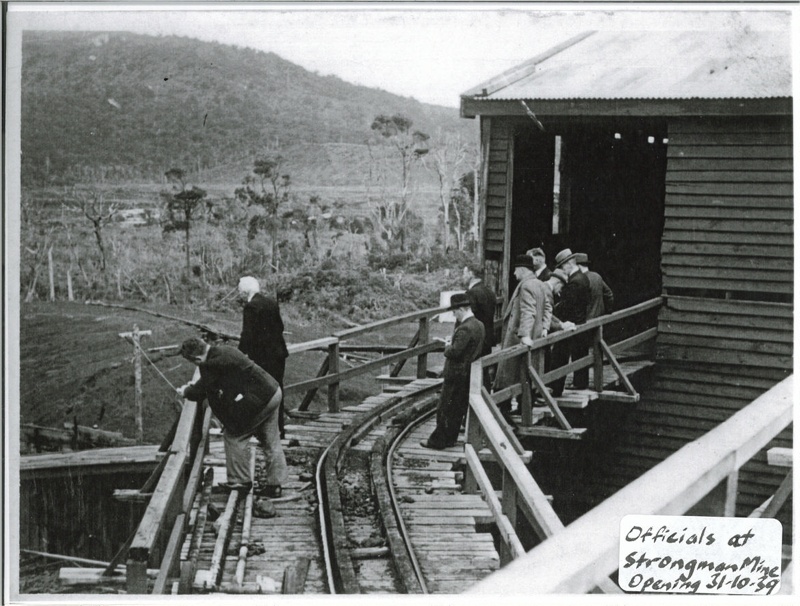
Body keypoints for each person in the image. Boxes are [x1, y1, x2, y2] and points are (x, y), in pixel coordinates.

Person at [177, 337, 287, 497]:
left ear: (197, 358)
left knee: (234, 436)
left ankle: (240, 482)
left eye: (195, 363)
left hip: (260, 400)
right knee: (271, 440)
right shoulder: (223, 351)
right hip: (272, 392)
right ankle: (275, 485)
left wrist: (186, 391)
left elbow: (202, 390)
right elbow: (209, 381)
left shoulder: (210, 364)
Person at [421, 293, 484, 450]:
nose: (454, 315)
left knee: (445, 407)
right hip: (467, 373)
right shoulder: (479, 325)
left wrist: (447, 345)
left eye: (455, 312)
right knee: (457, 408)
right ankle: (451, 438)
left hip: (455, 374)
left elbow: (454, 352)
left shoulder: (465, 328)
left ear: (462, 309)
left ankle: (438, 441)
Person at [237, 276, 289, 439]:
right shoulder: (271, 303)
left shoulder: (251, 307)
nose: (239, 294)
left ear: (245, 292)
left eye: (240, 291)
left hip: (262, 357)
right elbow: (280, 327)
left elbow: (248, 335)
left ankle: (262, 431)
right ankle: (279, 429)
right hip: (279, 354)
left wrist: (239, 353)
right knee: (278, 389)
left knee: (260, 392)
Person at [493, 255, 552, 399]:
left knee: (508, 376)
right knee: (525, 375)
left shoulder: (526, 285)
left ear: (522, 269)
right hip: (535, 337)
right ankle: (523, 408)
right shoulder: (540, 283)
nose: (514, 273)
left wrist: (525, 335)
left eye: (515, 270)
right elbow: (548, 307)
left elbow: (528, 311)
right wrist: (545, 327)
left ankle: (504, 409)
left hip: (518, 339)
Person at [550, 249, 591, 397]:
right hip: (579, 322)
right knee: (570, 356)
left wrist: (556, 314)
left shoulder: (574, 282)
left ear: (568, 264)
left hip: (570, 325)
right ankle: (560, 386)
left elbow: (567, 306)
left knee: (559, 357)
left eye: (562, 266)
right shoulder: (583, 277)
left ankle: (555, 388)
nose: (562, 270)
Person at [463, 264, 496, 388]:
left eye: (464, 273)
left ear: (471, 274)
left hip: (474, 339)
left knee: (471, 372)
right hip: (487, 337)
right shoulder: (489, 292)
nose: (463, 276)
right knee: (484, 372)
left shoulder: (471, 293)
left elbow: (468, 319)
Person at [575, 253, 614, 319]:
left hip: (587, 322)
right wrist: (607, 311)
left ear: (578, 266)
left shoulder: (579, 280)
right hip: (600, 318)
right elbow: (609, 294)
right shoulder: (597, 276)